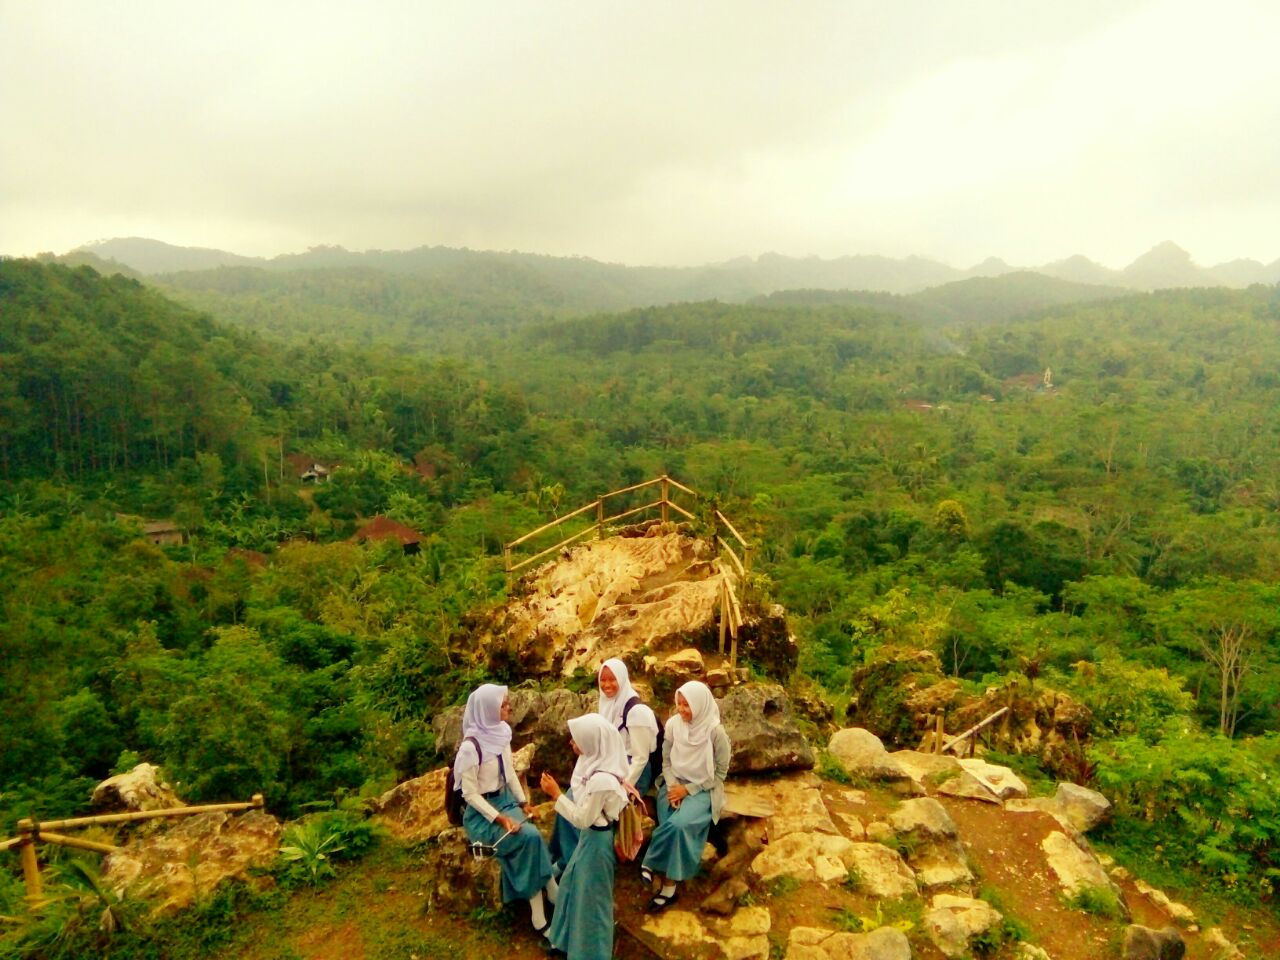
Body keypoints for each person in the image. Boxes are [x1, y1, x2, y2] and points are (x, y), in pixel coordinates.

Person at [453, 684, 558, 936]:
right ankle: (542, 909)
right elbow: (470, 795)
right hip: (483, 815)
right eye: (502, 705)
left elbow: (509, 772)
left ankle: (551, 894)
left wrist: (523, 803)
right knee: (530, 838)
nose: (508, 707)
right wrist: (500, 820)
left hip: (507, 801)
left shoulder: (500, 733)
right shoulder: (470, 748)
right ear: (487, 709)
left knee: (529, 835)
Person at [550, 658, 659, 872]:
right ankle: (562, 856)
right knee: (574, 794)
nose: (607, 685)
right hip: (610, 764)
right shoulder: (607, 704)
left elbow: (640, 758)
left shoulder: (636, 712)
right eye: (603, 680)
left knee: (578, 801)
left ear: (622, 679)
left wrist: (623, 787)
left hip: (630, 770)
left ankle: (570, 863)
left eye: (612, 680)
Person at [539, 714, 627, 960]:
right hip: (591, 838)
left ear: (591, 742)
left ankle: (592, 953)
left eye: (576, 739)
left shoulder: (600, 779)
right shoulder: (594, 765)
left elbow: (581, 818)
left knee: (592, 899)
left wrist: (556, 795)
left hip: (596, 842)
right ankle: (564, 940)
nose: (571, 743)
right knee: (571, 884)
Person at [640, 680, 731, 912]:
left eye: (687, 705)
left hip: (703, 789)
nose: (682, 710)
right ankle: (669, 889)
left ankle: (649, 861)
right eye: (679, 704)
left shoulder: (715, 733)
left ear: (700, 705)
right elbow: (667, 761)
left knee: (679, 825)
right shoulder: (673, 725)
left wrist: (687, 790)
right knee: (672, 821)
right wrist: (672, 786)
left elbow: (720, 774)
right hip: (672, 783)